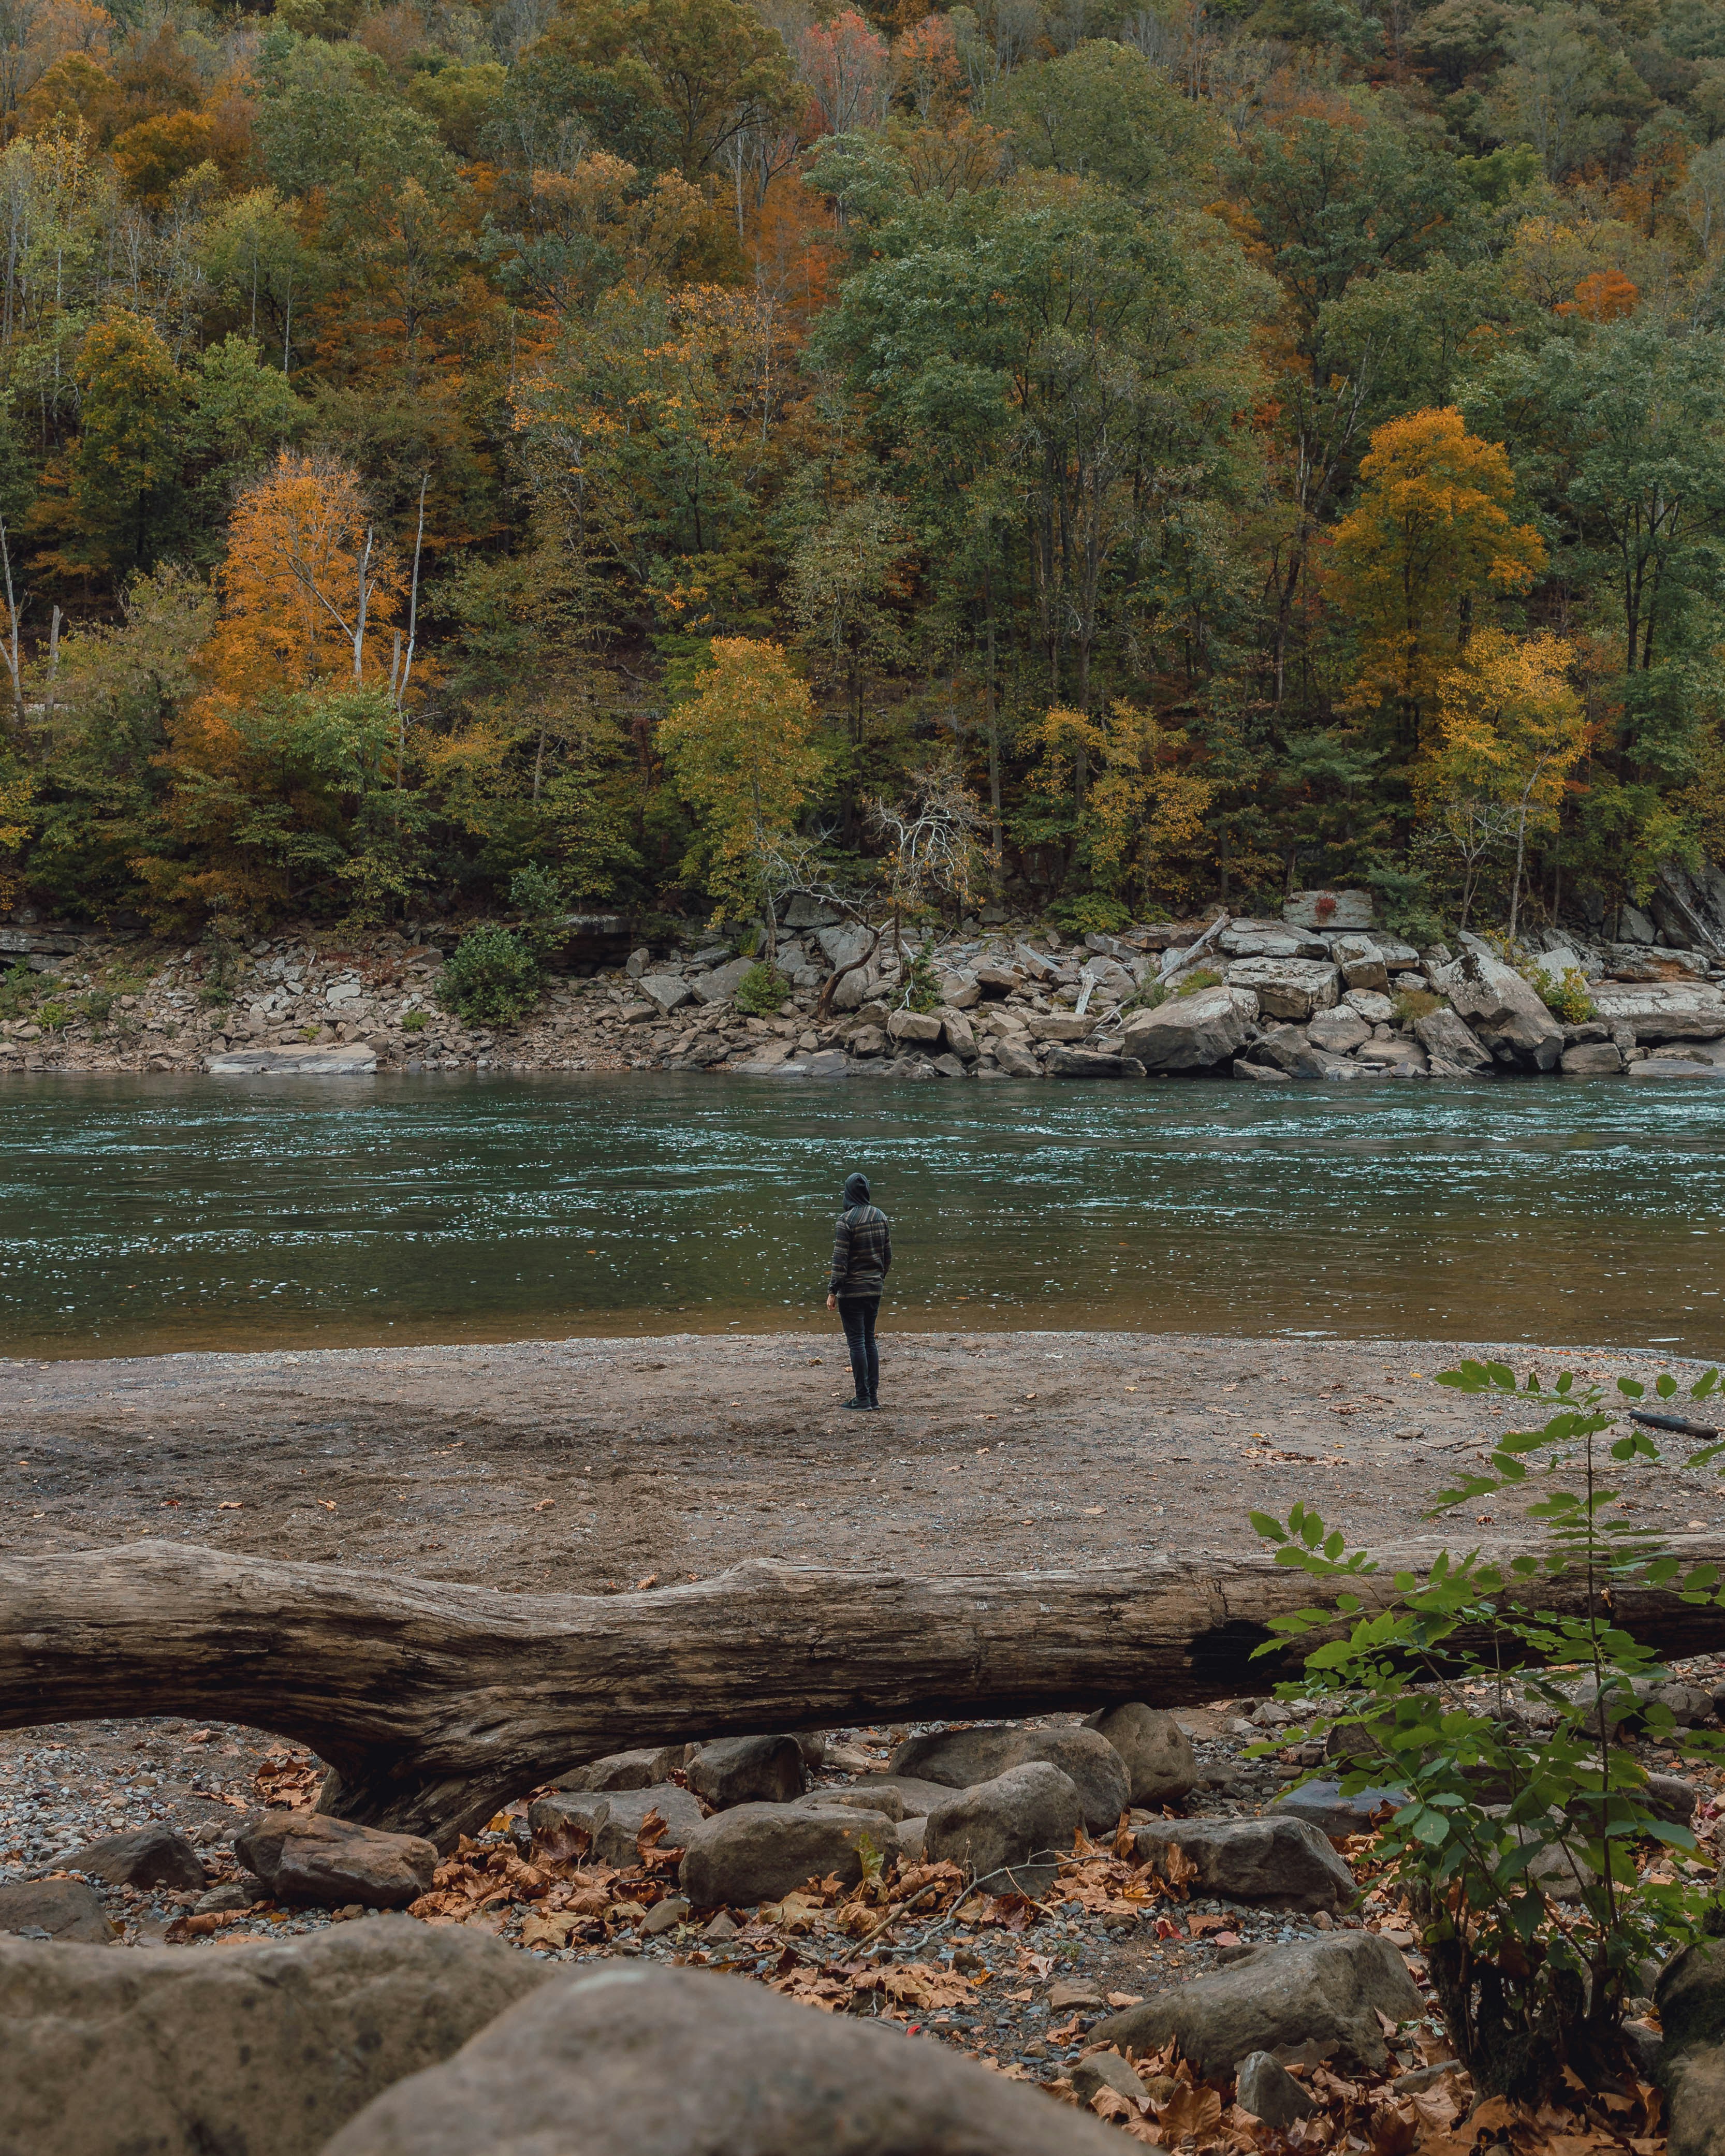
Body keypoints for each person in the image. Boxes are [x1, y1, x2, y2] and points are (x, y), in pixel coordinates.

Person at [826, 1171, 890, 1411]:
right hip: (874, 1289)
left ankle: (862, 1398)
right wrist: (877, 1279)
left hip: (852, 1292)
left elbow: (840, 1260)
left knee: (856, 1342)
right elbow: (888, 1257)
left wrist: (833, 1290)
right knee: (869, 1340)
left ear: (848, 1193)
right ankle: (872, 1397)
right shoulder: (881, 1217)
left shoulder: (846, 1220)